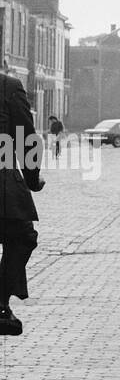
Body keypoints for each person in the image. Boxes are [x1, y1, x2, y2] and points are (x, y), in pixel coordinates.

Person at [1, 68, 44, 335]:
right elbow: (27, 141)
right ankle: (0, 303)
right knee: (22, 237)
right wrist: (31, 179)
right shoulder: (8, 86)